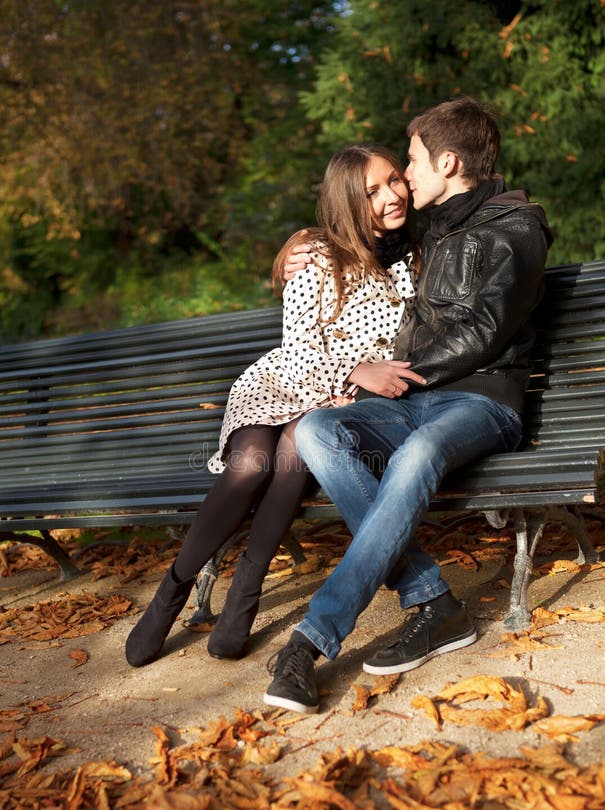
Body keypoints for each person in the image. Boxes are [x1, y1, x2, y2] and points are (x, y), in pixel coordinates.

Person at [263, 96, 553, 714]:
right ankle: (434, 601)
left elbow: (484, 332)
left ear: (448, 162)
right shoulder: (433, 231)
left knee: (417, 453)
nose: (405, 178)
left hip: (482, 403)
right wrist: (304, 242)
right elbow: (354, 242)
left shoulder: (516, 228)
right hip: (421, 398)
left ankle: (311, 641)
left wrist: (398, 376)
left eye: (413, 162)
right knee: (318, 433)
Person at [125, 143, 425, 667]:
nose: (390, 195)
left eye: (394, 180)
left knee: (294, 455)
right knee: (250, 465)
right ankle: (171, 593)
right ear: (346, 201)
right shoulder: (316, 253)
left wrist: (355, 386)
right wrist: (351, 370)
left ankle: (246, 587)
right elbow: (299, 345)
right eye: (371, 191)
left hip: (337, 402)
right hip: (284, 382)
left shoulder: (410, 256)